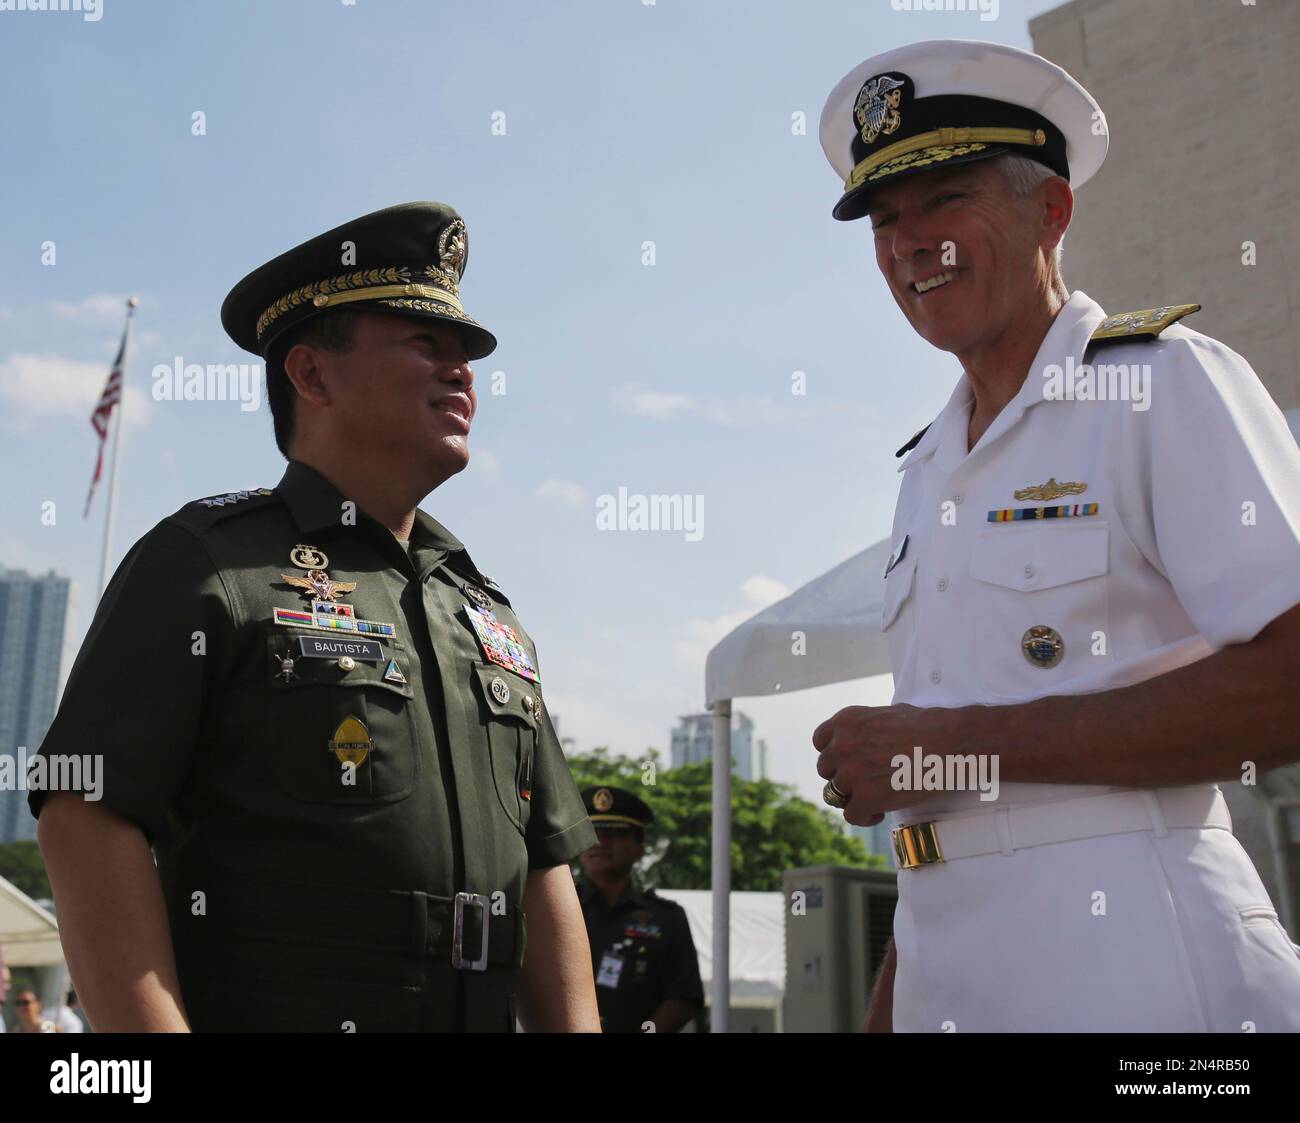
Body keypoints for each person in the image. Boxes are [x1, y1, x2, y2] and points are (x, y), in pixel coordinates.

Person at [812, 40, 1300, 1032]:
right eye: (885, 220)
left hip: (1141, 968)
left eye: (943, 199)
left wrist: (952, 749)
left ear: (1051, 210)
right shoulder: (923, 469)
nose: (908, 242)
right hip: (949, 976)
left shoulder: (1159, 382)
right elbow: (938, 813)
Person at [31, 201, 600, 1032]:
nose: (464, 372)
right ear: (312, 374)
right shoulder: (209, 564)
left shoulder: (488, 613)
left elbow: (546, 865)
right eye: (425, 343)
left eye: (466, 354)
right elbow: (84, 812)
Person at [577, 786, 704, 1032]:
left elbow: (684, 997)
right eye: (591, 832)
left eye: (613, 834)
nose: (599, 841)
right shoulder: (558, 911)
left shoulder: (667, 918)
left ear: (639, 849)